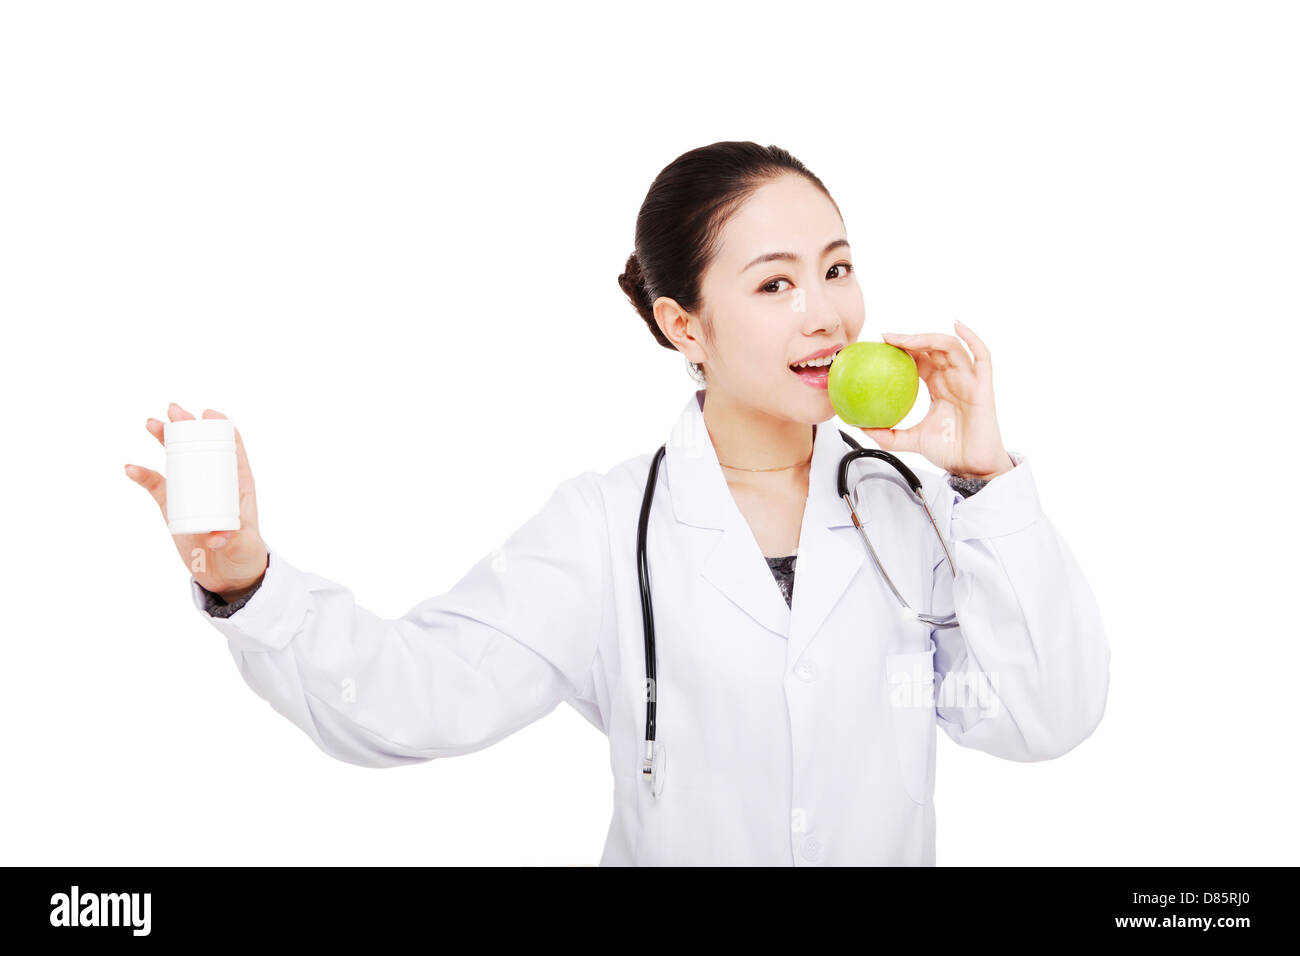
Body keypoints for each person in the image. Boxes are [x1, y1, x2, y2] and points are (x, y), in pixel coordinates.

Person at [125, 141, 1110, 866]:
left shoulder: (910, 509)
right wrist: (250, 584)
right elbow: (412, 696)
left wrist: (981, 477)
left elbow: (1043, 716)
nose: (826, 311)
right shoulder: (604, 528)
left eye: (836, 267)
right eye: (774, 283)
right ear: (684, 323)